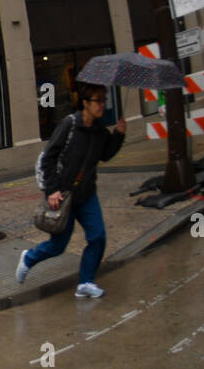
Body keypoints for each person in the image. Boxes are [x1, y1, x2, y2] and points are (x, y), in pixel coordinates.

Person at [17, 83, 126, 298]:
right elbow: (48, 158)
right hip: (64, 195)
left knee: (98, 237)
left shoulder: (99, 131)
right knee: (58, 246)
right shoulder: (69, 124)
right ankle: (28, 258)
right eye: (97, 101)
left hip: (87, 195)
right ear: (85, 103)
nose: (102, 105)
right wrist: (52, 190)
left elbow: (105, 154)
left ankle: (85, 282)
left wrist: (118, 135)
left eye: (104, 100)